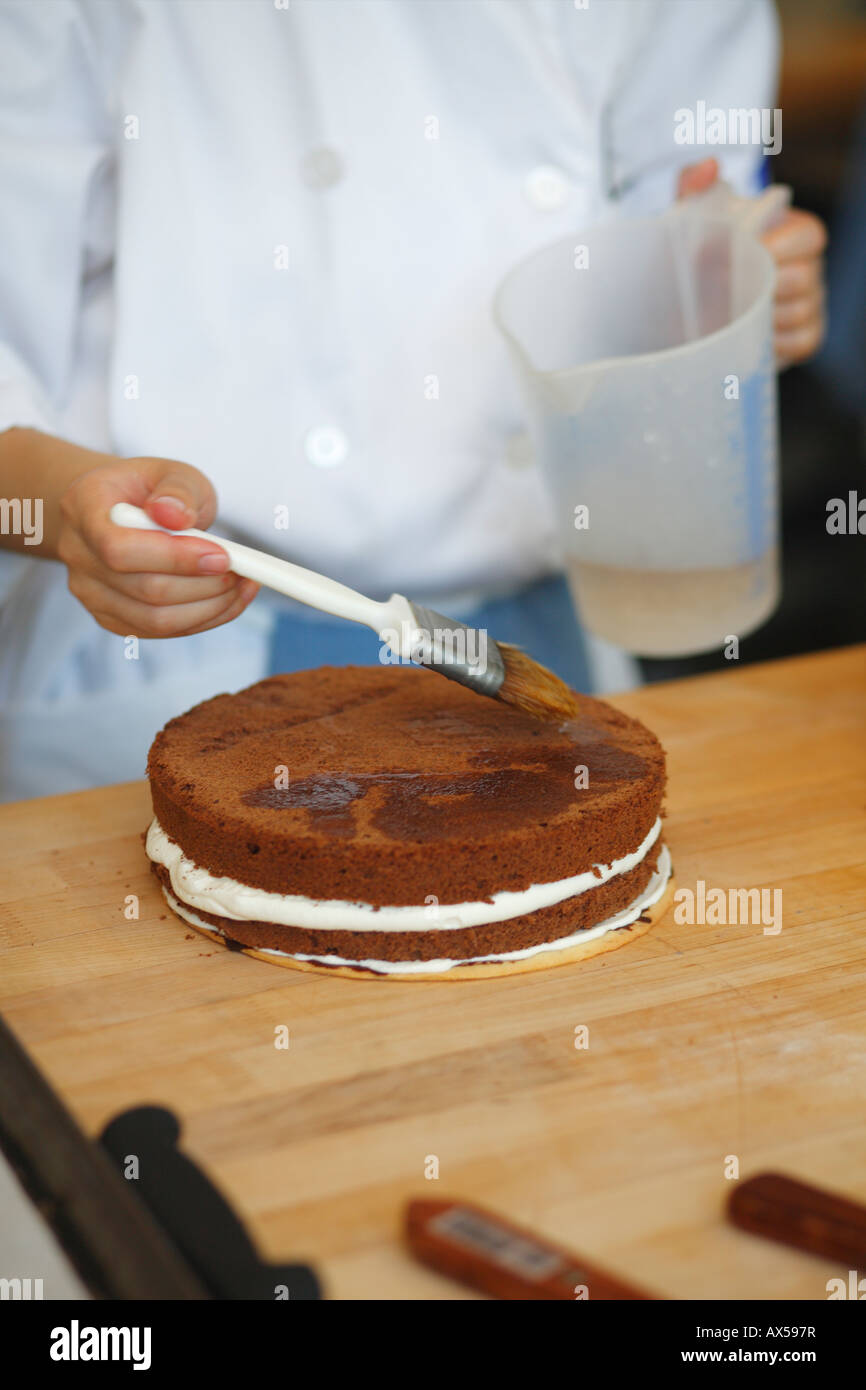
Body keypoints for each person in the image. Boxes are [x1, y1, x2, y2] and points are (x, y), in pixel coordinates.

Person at [0, 0, 825, 800]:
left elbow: (681, 239)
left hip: (553, 634)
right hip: (186, 654)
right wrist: (76, 511)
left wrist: (730, 292)